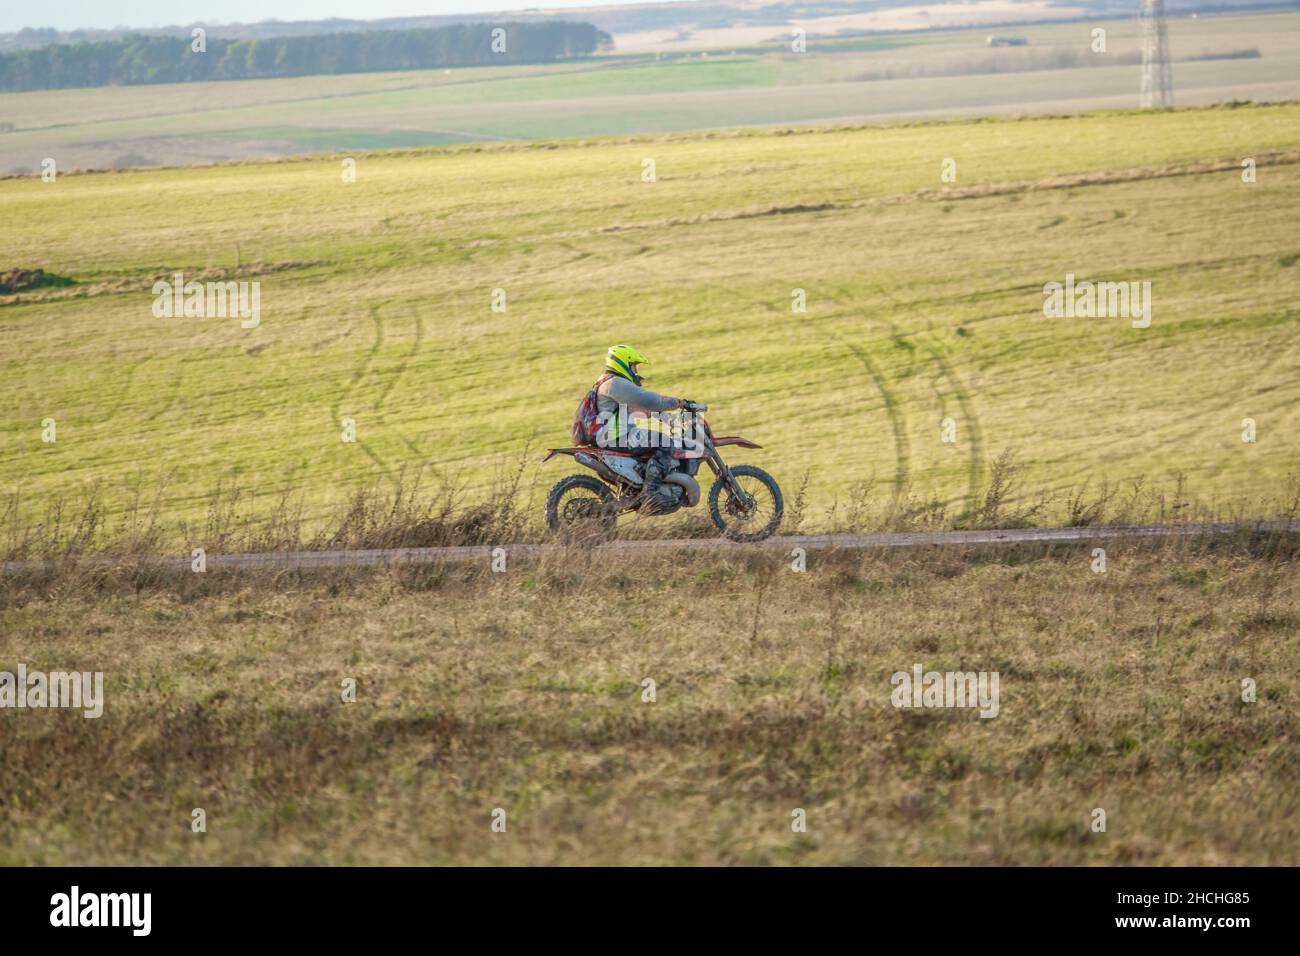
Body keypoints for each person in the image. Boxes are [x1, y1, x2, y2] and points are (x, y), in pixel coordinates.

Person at [595, 344, 688, 512]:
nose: (636, 370)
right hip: (617, 435)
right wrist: (677, 403)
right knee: (664, 441)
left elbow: (638, 409)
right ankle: (650, 493)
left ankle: (641, 485)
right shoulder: (615, 383)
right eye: (634, 366)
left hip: (615, 434)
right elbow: (648, 400)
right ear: (622, 363)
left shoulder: (610, 383)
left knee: (656, 439)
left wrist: (667, 419)